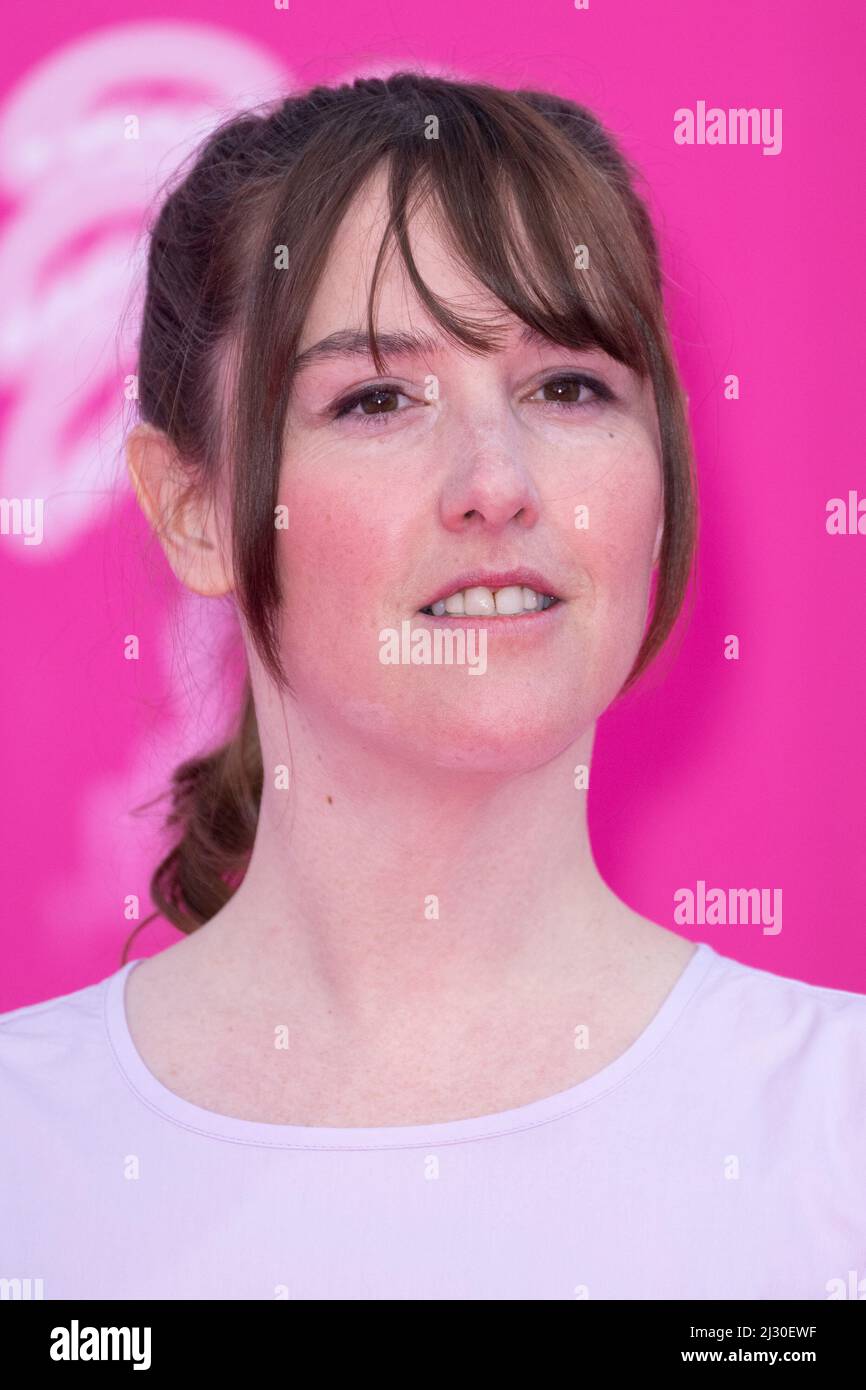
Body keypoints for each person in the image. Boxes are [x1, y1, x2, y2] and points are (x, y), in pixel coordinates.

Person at [1, 72, 864, 1302]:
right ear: (192, 506)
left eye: (567, 387)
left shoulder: (837, 1135)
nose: (496, 480)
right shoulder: (23, 1167)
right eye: (376, 398)